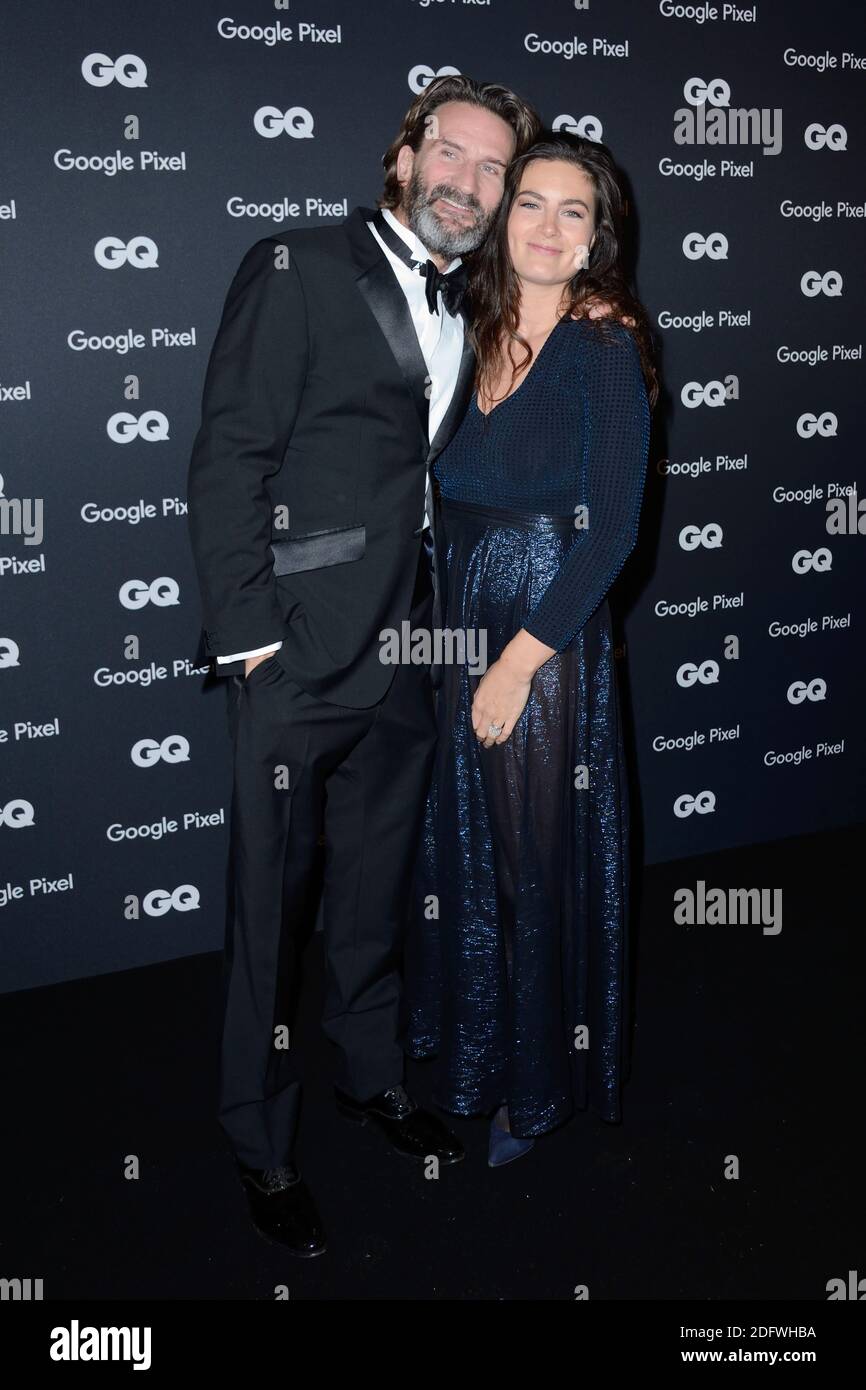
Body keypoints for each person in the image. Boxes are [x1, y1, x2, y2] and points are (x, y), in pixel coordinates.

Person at [186, 75, 544, 1254]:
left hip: (410, 652)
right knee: (265, 917)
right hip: (294, 657)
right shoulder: (293, 264)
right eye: (456, 156)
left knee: (369, 896)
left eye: (496, 172)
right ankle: (259, 1141)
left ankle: (369, 1075)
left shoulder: (476, 301)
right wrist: (252, 645)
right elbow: (230, 454)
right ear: (405, 158)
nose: (472, 185)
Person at [404, 131, 659, 1167]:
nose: (546, 229)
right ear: (500, 216)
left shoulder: (603, 347)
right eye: (530, 204)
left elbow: (611, 532)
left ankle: (538, 1088)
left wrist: (517, 662)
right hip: (455, 609)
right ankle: (470, 1053)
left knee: (530, 863)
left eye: (572, 212)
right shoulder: (464, 322)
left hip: (540, 627)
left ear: (598, 237)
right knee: (457, 847)